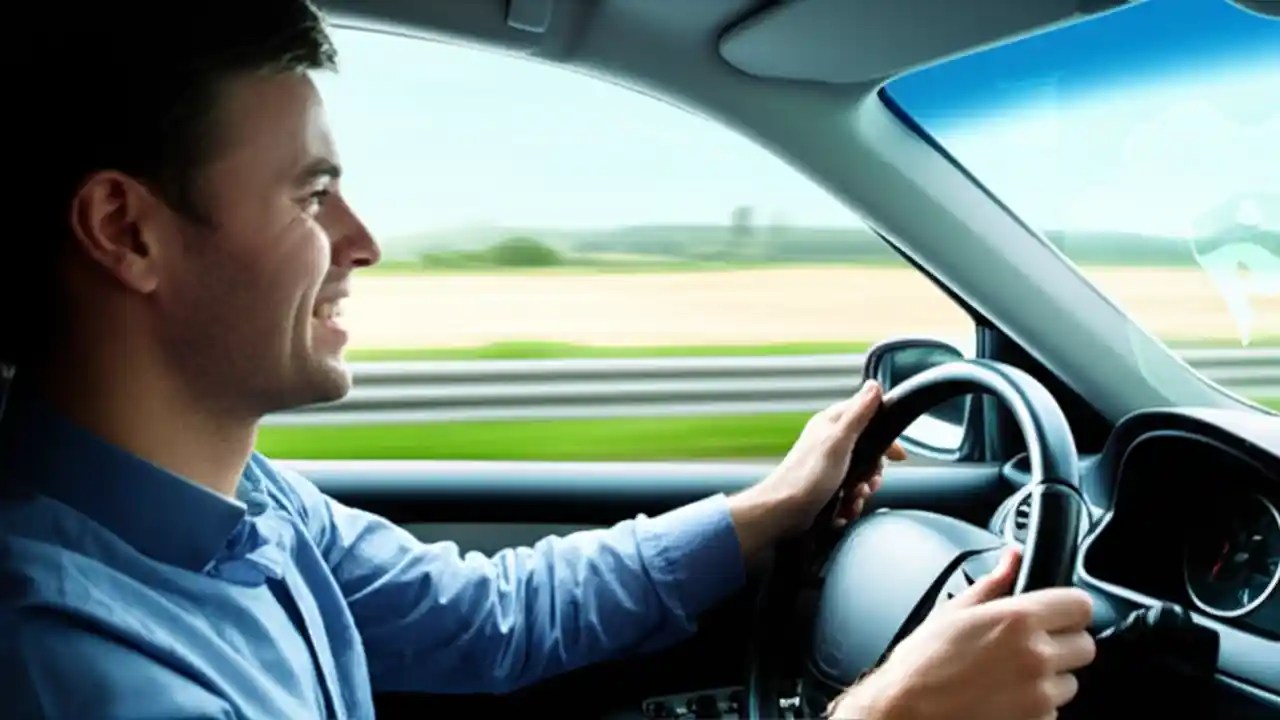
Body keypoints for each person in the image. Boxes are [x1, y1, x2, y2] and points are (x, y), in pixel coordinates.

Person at [0, 3, 1095, 719]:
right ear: (127, 232)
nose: (361, 242)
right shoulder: (73, 660)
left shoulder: (243, 505)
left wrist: (766, 512)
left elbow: (489, 618)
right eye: (308, 193)